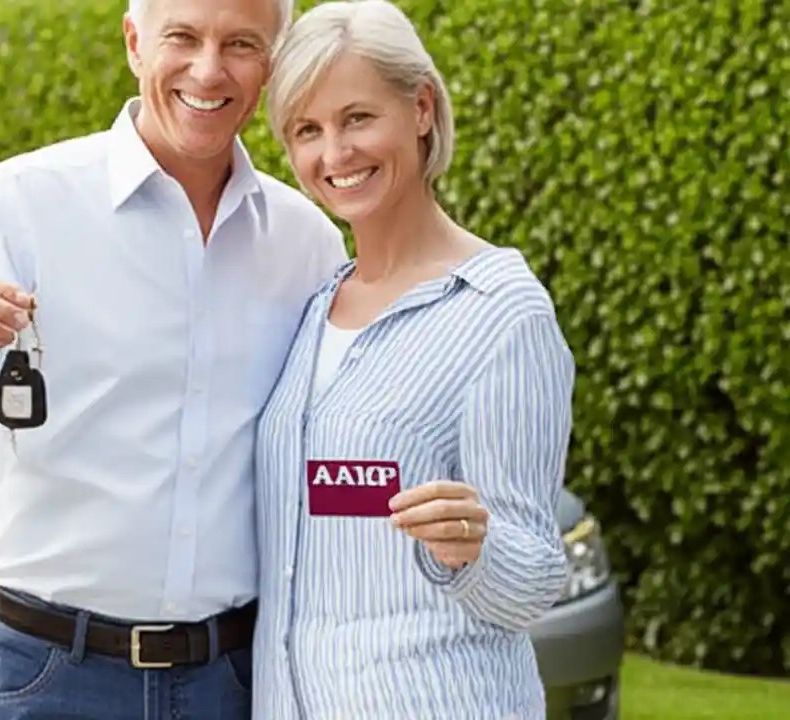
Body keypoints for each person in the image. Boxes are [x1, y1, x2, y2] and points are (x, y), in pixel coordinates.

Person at [0, 0, 347, 716]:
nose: (208, 69)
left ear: (273, 62)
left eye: (241, 44)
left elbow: (328, 457)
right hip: (51, 678)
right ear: (134, 43)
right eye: (182, 38)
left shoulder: (306, 244)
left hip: (237, 683)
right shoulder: (23, 205)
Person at [252, 1, 576, 718]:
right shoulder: (314, 306)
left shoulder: (501, 313)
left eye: (358, 118)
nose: (334, 155)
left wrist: (474, 546)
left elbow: (534, 580)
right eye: (308, 130)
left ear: (422, 107)